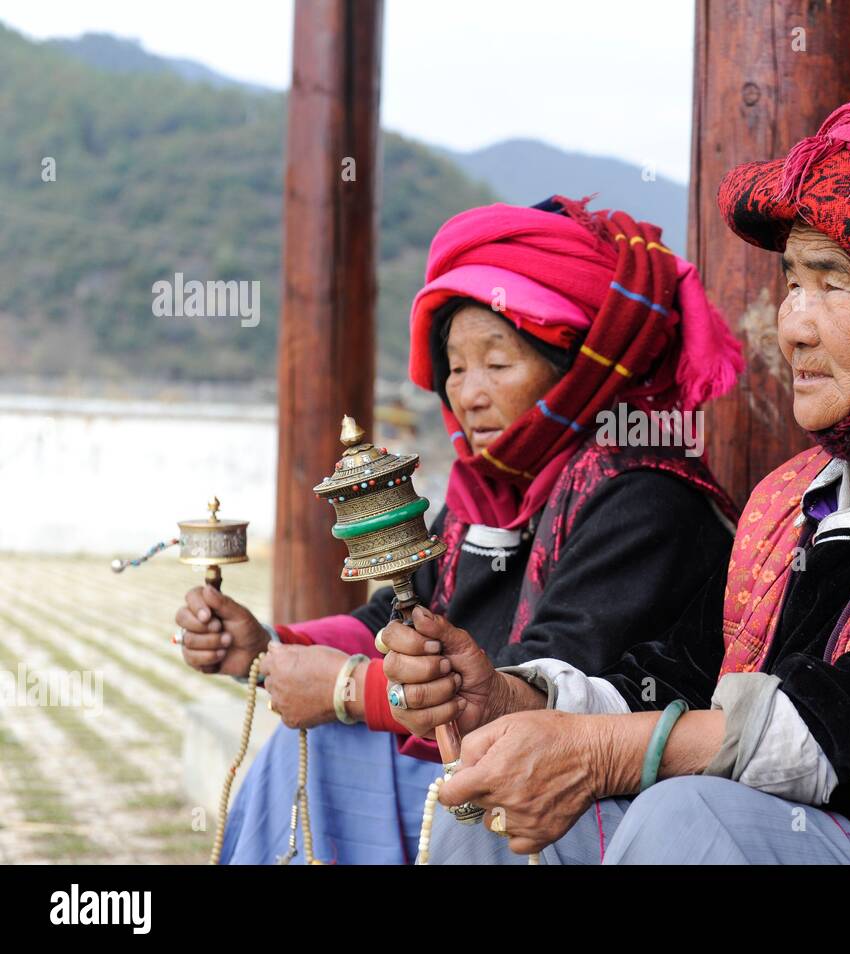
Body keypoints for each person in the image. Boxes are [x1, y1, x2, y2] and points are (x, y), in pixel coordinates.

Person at [379, 90, 850, 864]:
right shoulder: (792, 498)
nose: (792, 325)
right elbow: (680, 671)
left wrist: (610, 753)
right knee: (480, 812)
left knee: (693, 821)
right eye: (792, 280)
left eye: (834, 280)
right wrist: (511, 698)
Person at [174, 195, 744, 864]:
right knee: (323, 743)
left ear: (577, 368)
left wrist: (348, 688)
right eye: (456, 366)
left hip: (585, 799)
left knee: (380, 752)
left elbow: (545, 687)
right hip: (476, 757)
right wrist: (267, 649)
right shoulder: (491, 489)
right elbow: (403, 611)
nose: (469, 392)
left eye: (498, 364)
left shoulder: (644, 496)